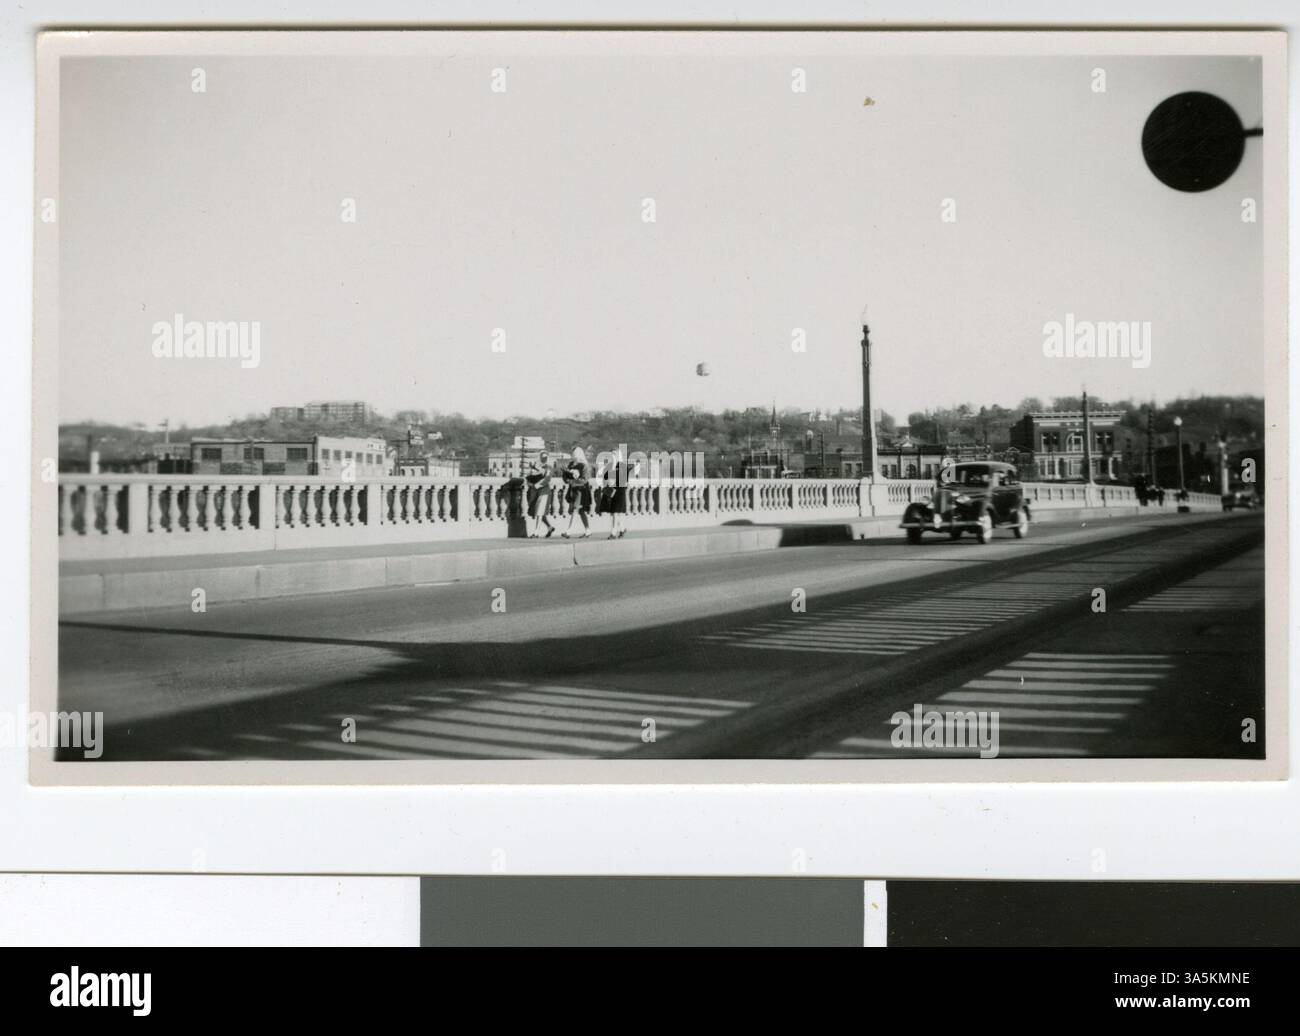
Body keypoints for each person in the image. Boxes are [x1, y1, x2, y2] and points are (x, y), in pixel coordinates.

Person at [561, 446, 593, 538]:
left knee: (575, 509)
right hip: (573, 489)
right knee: (581, 511)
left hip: (581, 490)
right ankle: (588, 530)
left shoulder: (585, 465)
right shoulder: (571, 464)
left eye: (574, 453)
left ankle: (569, 531)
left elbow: (585, 479)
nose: (573, 455)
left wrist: (572, 481)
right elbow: (565, 477)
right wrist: (566, 477)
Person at [606, 453, 639, 538]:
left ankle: (613, 532)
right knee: (616, 513)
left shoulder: (623, 466)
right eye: (611, 455)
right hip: (613, 492)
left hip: (620, 492)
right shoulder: (611, 467)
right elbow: (606, 476)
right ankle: (622, 529)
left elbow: (634, 465)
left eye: (614, 454)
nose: (612, 456)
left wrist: (636, 471)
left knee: (615, 512)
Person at [525, 451, 556, 538]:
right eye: (542, 457)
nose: (544, 459)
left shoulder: (549, 467)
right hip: (536, 492)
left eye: (545, 457)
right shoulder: (537, 466)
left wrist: (536, 485)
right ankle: (550, 527)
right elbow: (529, 477)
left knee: (539, 511)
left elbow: (547, 478)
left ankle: (536, 532)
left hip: (544, 491)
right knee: (540, 512)